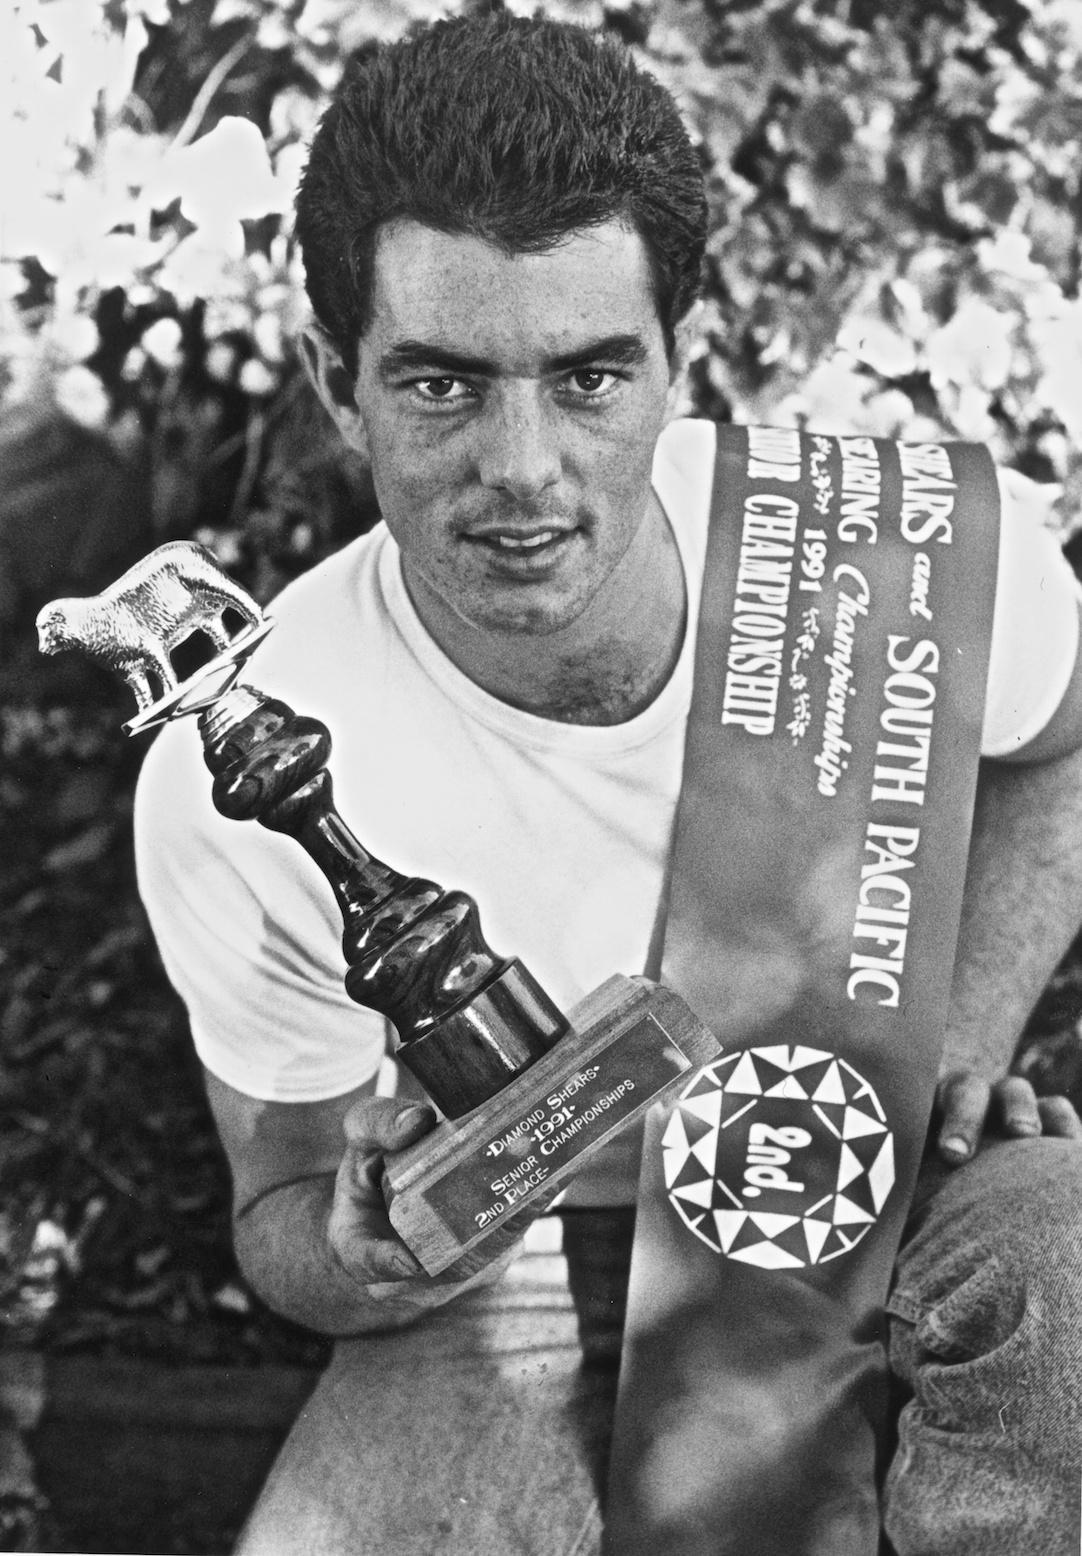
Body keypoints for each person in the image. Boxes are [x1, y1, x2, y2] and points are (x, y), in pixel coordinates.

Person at [134, 14, 1082, 1554]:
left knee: (1067, 1270)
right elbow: (281, 1209)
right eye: (439, 385)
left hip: (877, 1166)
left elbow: (1065, 748)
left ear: (676, 361)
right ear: (335, 380)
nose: (522, 465)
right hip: (524, 1257)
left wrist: (960, 1036)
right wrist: (369, 1249)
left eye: (585, 377)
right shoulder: (241, 765)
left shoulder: (892, 556)